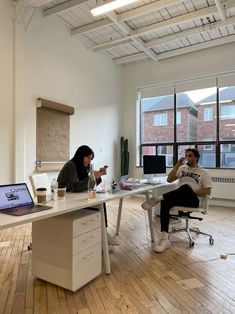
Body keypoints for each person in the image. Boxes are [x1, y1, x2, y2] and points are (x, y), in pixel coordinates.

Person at [141, 148, 212, 253]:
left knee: (186, 187)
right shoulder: (182, 168)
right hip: (180, 198)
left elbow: (207, 191)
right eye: (186, 155)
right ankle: (165, 239)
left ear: (196, 158)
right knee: (165, 202)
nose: (187, 158)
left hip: (193, 200)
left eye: (190, 156)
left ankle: (159, 198)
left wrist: (191, 192)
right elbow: (169, 179)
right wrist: (177, 165)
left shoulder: (203, 172)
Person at [57, 145, 119, 246]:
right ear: (81, 156)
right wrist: (93, 176)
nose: (89, 161)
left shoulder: (82, 166)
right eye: (88, 158)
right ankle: (103, 234)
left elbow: (88, 186)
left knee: (99, 202)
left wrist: (97, 176)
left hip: (75, 197)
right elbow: (75, 187)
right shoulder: (71, 165)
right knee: (98, 204)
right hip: (66, 199)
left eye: (91, 158)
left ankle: (102, 233)